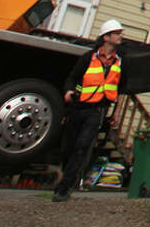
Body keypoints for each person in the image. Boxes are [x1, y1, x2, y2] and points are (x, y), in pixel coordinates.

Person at [52, 18, 125, 202]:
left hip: (97, 111)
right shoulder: (88, 58)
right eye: (117, 33)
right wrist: (69, 91)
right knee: (68, 147)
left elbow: (120, 89)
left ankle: (64, 188)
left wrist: (116, 113)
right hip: (79, 107)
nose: (121, 36)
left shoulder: (119, 62)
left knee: (82, 146)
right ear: (106, 37)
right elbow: (73, 77)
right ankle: (66, 175)